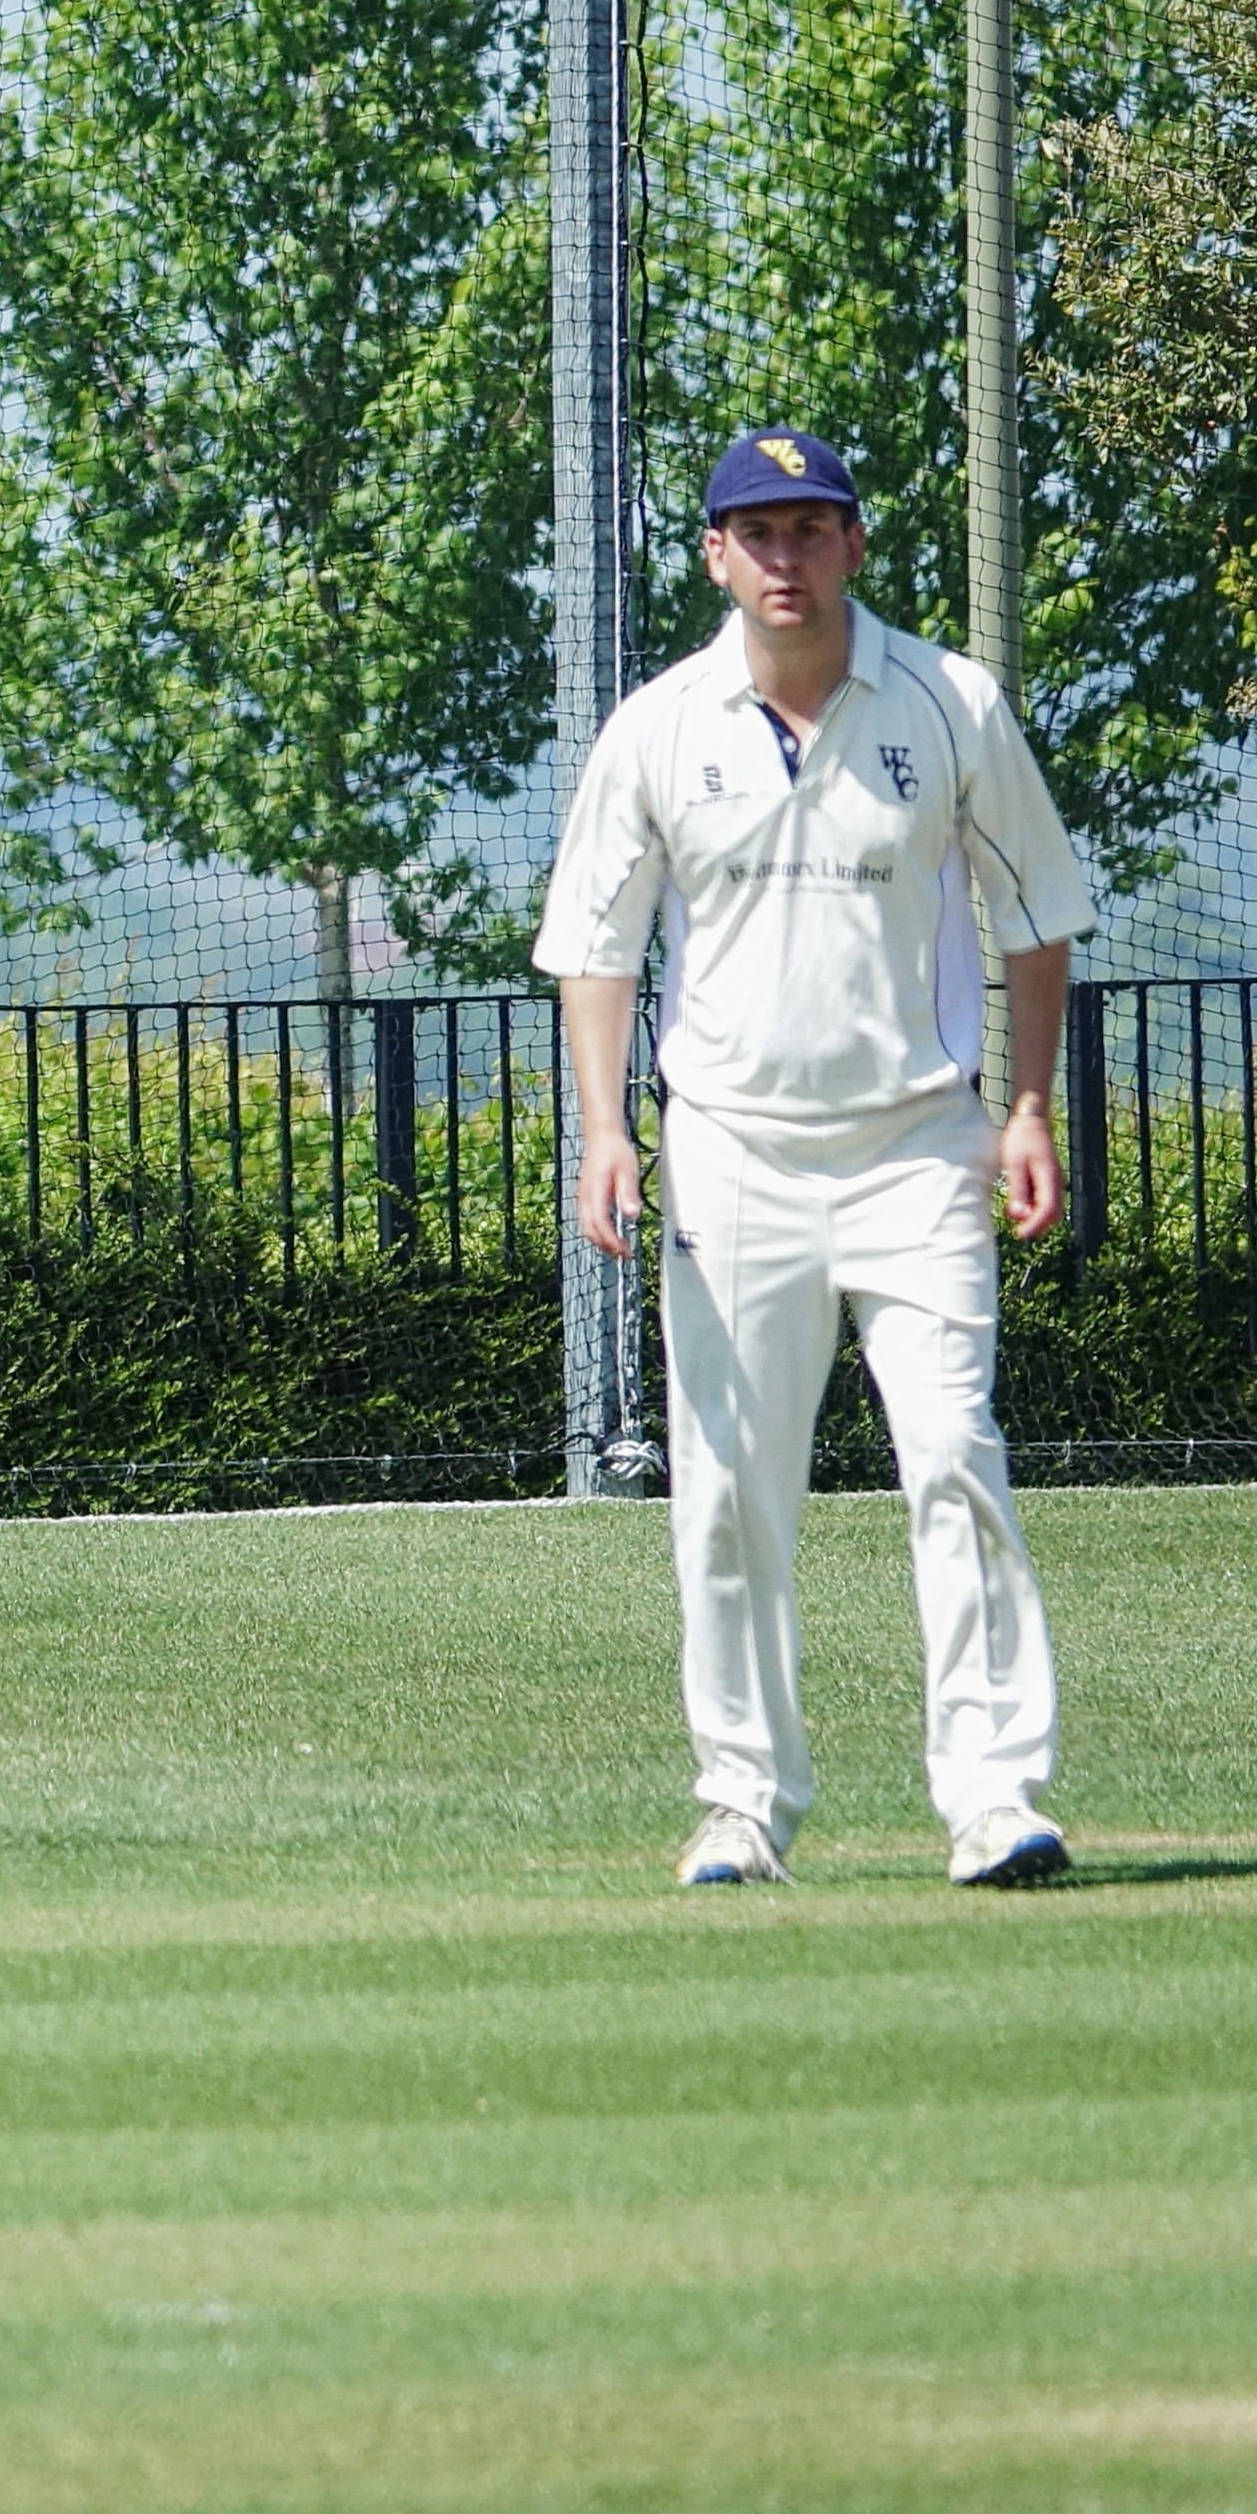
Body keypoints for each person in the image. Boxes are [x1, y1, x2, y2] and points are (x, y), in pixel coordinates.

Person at [534, 432, 1093, 1894]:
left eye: (809, 529)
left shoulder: (949, 703)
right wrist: (608, 1130)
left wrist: (1023, 1110)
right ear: (717, 558)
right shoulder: (656, 727)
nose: (785, 559)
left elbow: (1037, 917)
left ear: (853, 545)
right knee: (726, 1490)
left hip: (917, 1146)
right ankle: (743, 1803)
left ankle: (992, 1797)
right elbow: (593, 947)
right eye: (755, 534)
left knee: (957, 1458)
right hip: (730, 1155)